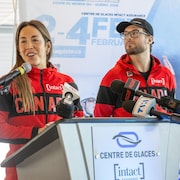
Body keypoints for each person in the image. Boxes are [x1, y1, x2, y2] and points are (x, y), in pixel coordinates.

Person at [0, 20, 84, 180]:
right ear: (18, 49)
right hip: (20, 169)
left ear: (47, 46)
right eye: (22, 41)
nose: (28, 45)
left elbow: (79, 122)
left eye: (35, 39)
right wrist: (35, 132)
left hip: (61, 165)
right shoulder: (8, 84)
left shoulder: (66, 82)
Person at [94, 18, 176, 117]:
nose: (128, 37)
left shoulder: (166, 74)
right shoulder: (113, 76)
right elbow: (99, 118)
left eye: (134, 33)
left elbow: (172, 111)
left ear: (150, 39)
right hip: (126, 132)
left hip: (161, 131)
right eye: (126, 34)